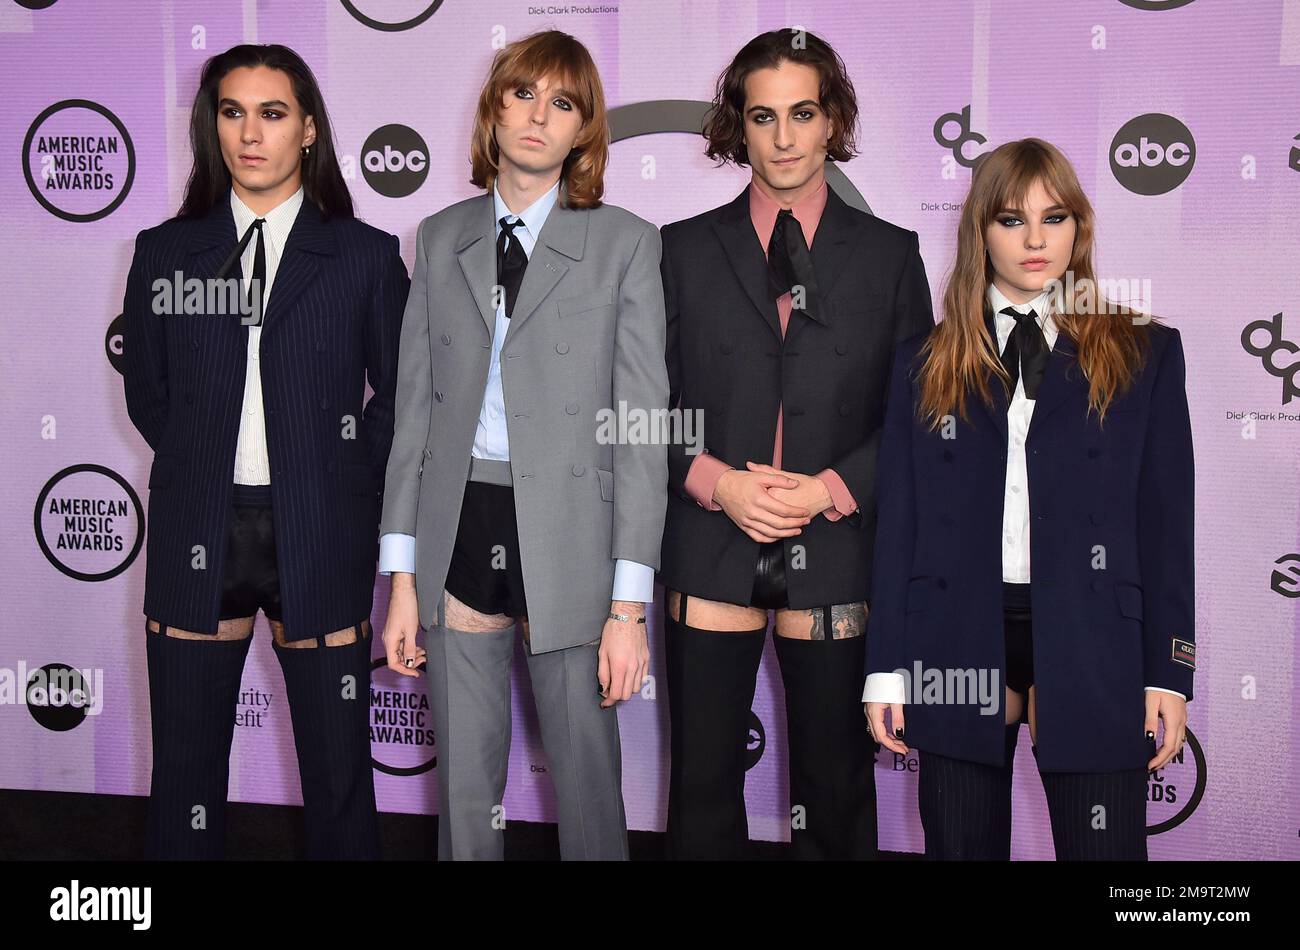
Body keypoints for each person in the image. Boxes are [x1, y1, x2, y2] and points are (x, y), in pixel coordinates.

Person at [378, 29, 668, 861]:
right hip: (460, 524)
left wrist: (629, 610)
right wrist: (402, 580)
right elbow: (413, 418)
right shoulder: (439, 236)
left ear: (583, 130)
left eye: (562, 102)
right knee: (466, 792)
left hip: (573, 533)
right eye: (523, 94)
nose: (539, 116)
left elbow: (641, 431)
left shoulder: (625, 242)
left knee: (586, 784)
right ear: (493, 110)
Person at [864, 138, 1194, 860]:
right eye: (1012, 220)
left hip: (1094, 639)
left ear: (1080, 226)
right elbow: (900, 523)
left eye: (1055, 217)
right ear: (981, 231)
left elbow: (1167, 526)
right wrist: (885, 666)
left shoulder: (1145, 352)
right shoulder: (923, 362)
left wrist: (1169, 672)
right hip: (954, 636)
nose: (1036, 240)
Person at [122, 44, 408, 858]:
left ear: (308, 129)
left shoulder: (364, 255)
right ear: (212, 126)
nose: (251, 134)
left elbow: (399, 398)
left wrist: (340, 484)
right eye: (232, 112)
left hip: (320, 533)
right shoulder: (164, 251)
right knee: (183, 781)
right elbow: (149, 394)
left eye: (273, 113)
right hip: (198, 527)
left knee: (340, 780)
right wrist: (201, 464)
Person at [659, 27, 934, 859]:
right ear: (737, 127)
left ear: (832, 121)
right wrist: (716, 481)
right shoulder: (679, 249)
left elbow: (922, 415)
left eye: (802, 114)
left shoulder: (891, 255)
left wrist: (829, 489)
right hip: (710, 542)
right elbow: (638, 408)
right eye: (762, 116)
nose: (783, 137)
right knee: (702, 787)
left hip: (837, 548)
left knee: (837, 789)